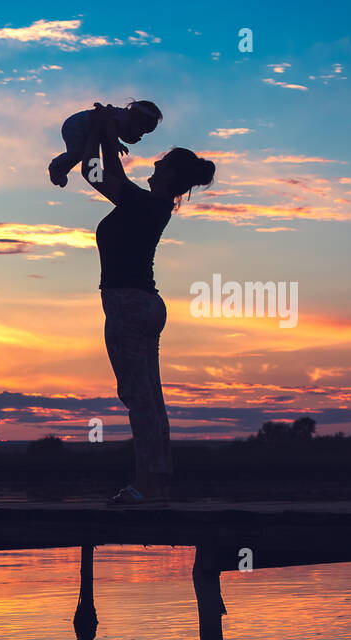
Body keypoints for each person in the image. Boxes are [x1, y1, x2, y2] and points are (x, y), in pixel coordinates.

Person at [78, 104, 215, 505]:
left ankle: (148, 486)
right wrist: (102, 133)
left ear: (171, 175)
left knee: (139, 397)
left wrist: (104, 130)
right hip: (141, 305)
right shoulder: (148, 205)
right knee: (148, 397)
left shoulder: (149, 205)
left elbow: (98, 174)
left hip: (129, 305)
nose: (154, 161)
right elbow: (98, 173)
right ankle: (156, 481)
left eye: (162, 161)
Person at [49, 99, 162, 187]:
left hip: (81, 126)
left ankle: (60, 169)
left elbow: (96, 176)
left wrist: (102, 135)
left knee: (78, 154)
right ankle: (57, 167)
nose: (141, 134)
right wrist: (115, 143)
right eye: (142, 130)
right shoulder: (121, 117)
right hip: (77, 125)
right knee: (77, 154)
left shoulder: (119, 118)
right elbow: (110, 128)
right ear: (136, 119)